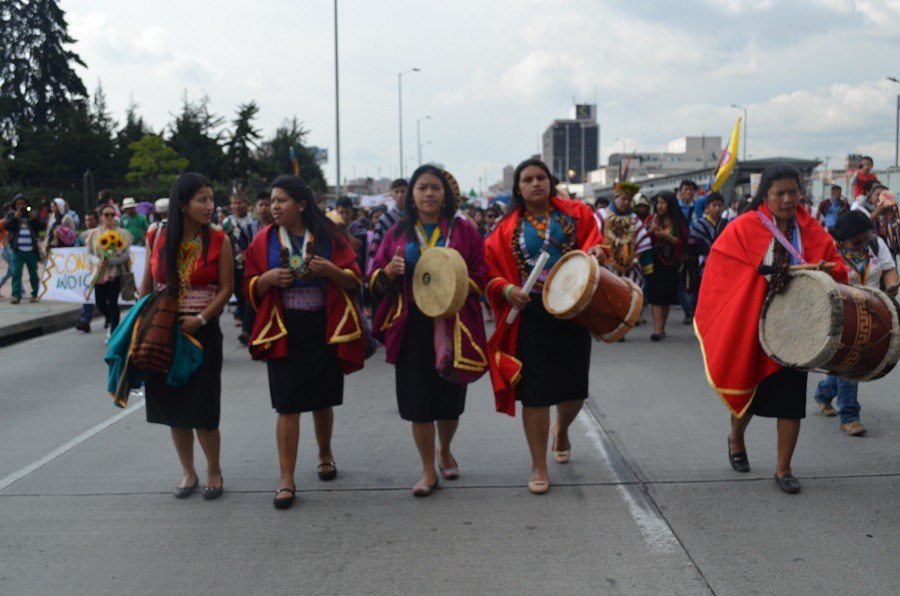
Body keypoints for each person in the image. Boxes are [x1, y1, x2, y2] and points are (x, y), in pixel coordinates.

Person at [695, 163, 847, 495]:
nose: (788, 198)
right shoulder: (744, 226)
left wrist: (823, 269)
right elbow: (724, 267)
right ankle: (736, 438)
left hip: (799, 325)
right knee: (749, 387)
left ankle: (784, 469)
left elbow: (837, 264)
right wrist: (773, 271)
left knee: (792, 399)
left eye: (794, 192)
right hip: (755, 321)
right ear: (766, 195)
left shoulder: (810, 227)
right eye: (780, 193)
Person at [484, 158, 606, 495]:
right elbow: (489, 270)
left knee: (574, 390)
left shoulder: (577, 213)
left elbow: (598, 241)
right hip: (531, 313)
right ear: (518, 188)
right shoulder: (504, 230)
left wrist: (597, 250)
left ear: (550, 182)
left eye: (541, 178)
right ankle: (539, 464)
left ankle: (562, 429)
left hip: (573, 307)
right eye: (528, 179)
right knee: (534, 394)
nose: (536, 184)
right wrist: (507, 289)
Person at [243, 176, 366, 509]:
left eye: (281, 200)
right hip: (284, 329)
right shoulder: (264, 239)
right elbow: (249, 283)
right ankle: (286, 479)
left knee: (322, 399)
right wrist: (266, 280)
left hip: (323, 327)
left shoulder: (329, 236)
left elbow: (354, 278)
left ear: (301, 204)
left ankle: (325, 454)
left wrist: (331, 271)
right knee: (287, 404)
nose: (274, 206)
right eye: (271, 200)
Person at [369, 166, 489, 497]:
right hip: (411, 323)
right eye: (422, 188)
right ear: (411, 195)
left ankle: (445, 448)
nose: (429, 194)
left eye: (436, 187)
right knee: (417, 400)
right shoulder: (397, 233)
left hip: (454, 322)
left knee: (450, 400)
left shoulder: (464, 231)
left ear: (445, 194)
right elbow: (375, 276)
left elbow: (482, 270)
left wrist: (460, 284)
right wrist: (389, 272)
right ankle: (426, 468)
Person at [139, 173, 234, 500]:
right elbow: (146, 286)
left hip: (203, 332)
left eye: (211, 199)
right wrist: (141, 325)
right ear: (182, 204)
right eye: (202, 200)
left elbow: (226, 288)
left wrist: (202, 318)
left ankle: (214, 470)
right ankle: (188, 472)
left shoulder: (220, 240)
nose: (209, 206)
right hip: (164, 334)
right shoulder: (156, 235)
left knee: (204, 409)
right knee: (174, 408)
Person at [814, 211, 898, 436]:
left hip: (871, 309)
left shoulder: (875, 243)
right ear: (842, 240)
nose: (862, 245)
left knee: (848, 362)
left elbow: (889, 270)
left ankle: (823, 394)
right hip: (841, 312)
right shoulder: (829, 249)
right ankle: (850, 416)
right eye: (856, 242)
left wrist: (891, 290)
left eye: (865, 239)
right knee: (851, 360)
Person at [646, 192, 689, 341]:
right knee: (656, 297)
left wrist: (666, 236)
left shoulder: (677, 221)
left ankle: (662, 328)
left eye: (663, 203)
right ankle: (657, 329)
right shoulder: (653, 219)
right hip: (655, 263)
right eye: (658, 203)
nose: (659, 206)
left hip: (671, 263)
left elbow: (683, 242)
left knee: (665, 297)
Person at [596, 182, 653, 291]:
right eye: (623, 199)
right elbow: (593, 239)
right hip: (605, 268)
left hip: (629, 270)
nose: (626, 202)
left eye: (629, 200)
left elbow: (643, 241)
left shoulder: (634, 218)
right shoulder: (601, 215)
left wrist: (635, 261)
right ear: (615, 197)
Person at [87, 204, 133, 337]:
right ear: (101, 217)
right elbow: (89, 253)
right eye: (106, 215)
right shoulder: (94, 234)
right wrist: (98, 261)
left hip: (116, 273)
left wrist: (111, 261)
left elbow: (126, 255)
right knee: (100, 302)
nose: (110, 217)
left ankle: (114, 331)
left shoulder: (122, 233)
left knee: (113, 302)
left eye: (112, 214)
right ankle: (109, 319)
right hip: (100, 273)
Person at [222, 189, 255, 338]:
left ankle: (244, 317)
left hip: (251, 261)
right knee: (237, 288)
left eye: (239, 202)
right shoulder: (227, 222)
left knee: (248, 289)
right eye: (234, 203)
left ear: (247, 205)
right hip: (234, 262)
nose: (236, 206)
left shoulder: (253, 220)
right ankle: (240, 313)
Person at [3, 194, 46, 304]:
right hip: (17, 250)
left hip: (31, 250)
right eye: (18, 204)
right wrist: (15, 217)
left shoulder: (33, 214)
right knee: (16, 273)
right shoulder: (11, 215)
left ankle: (35, 294)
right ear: (14, 205)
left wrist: (35, 218)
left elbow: (42, 226)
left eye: (23, 204)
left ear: (28, 205)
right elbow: (7, 226)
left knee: (33, 274)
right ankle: (16, 296)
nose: (21, 206)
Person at [687, 192, 729, 284]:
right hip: (705, 263)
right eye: (714, 205)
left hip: (724, 263)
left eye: (720, 205)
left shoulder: (727, 224)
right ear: (707, 207)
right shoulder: (700, 224)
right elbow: (692, 243)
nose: (717, 208)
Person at [75, 210, 100, 333]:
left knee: (104, 299)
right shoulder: (83, 236)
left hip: (102, 271)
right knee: (88, 294)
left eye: (91, 220)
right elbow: (75, 252)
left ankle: (110, 320)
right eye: (86, 220)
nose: (89, 222)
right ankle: (85, 320)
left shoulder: (103, 234)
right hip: (88, 271)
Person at [370, 179, 407, 256]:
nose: (400, 195)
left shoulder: (415, 217)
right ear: (392, 195)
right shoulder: (383, 221)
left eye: (403, 191)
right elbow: (375, 250)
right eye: (396, 192)